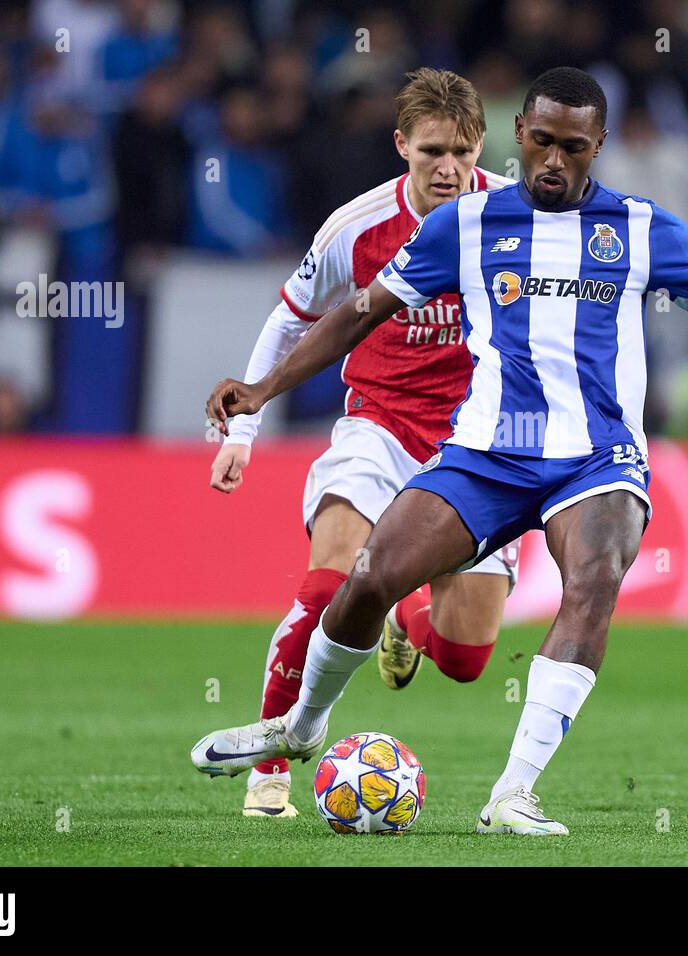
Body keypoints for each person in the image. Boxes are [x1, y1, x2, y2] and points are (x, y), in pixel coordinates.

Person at [192, 67, 688, 836]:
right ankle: (301, 727)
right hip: (488, 451)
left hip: (597, 458)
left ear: (598, 147)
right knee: (369, 579)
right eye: (542, 143)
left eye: (574, 148)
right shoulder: (465, 224)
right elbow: (357, 314)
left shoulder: (643, 228)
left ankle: (512, 794)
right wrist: (261, 394)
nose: (555, 162)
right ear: (519, 134)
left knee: (594, 581)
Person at [208, 68, 516, 819]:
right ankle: (271, 769)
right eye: (433, 151)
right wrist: (244, 427)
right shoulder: (356, 227)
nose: (449, 169)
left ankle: (403, 613)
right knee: (326, 589)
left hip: (478, 442)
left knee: (469, 658)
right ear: (402, 144)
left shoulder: (515, 216)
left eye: (464, 152)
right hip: (378, 425)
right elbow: (291, 318)